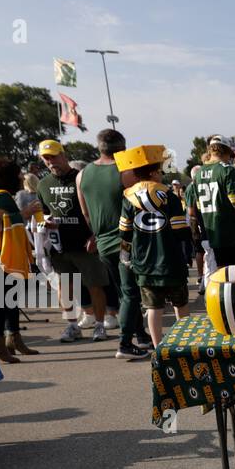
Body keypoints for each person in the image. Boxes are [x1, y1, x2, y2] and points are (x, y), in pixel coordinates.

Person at [78, 128, 151, 357]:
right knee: (130, 293)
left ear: (99, 147)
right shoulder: (125, 171)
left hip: (102, 241)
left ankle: (141, 335)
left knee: (124, 292)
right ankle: (125, 343)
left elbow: (86, 213)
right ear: (123, 148)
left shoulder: (82, 174)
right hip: (125, 240)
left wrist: (96, 234)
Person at [37, 139, 113, 345]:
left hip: (85, 243)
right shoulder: (43, 184)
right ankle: (71, 325)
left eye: (54, 156)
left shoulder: (81, 178)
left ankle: (99, 324)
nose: (51, 161)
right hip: (59, 246)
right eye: (46, 158)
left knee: (94, 285)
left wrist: (95, 235)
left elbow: (95, 209)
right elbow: (44, 213)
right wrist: (46, 225)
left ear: (63, 155)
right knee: (64, 286)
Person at [117, 144, 190, 351]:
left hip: (144, 263)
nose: (161, 174)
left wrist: (128, 254)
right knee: (180, 304)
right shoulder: (170, 196)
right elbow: (180, 231)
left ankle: (158, 349)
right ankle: (184, 343)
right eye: (159, 170)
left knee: (153, 308)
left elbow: (124, 231)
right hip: (171, 260)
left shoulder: (128, 198)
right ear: (152, 172)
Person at [0, 155, 40, 363]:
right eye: (18, 173)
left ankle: (13, 337)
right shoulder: (1, 195)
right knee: (1, 295)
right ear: (8, 176)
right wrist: (25, 213)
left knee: (10, 294)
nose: (22, 176)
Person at [191, 136, 235, 268]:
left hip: (214, 234)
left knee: (223, 274)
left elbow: (199, 206)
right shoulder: (227, 169)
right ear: (226, 151)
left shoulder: (198, 174)